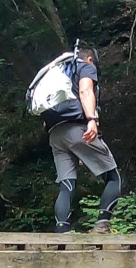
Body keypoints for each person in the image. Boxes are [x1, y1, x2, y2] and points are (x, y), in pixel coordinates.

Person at [42, 44, 122, 233]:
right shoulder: (85, 65)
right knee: (113, 177)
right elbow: (86, 91)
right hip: (77, 128)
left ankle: (62, 233)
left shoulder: (59, 74)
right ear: (89, 59)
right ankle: (102, 226)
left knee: (66, 184)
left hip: (55, 134)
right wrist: (92, 120)